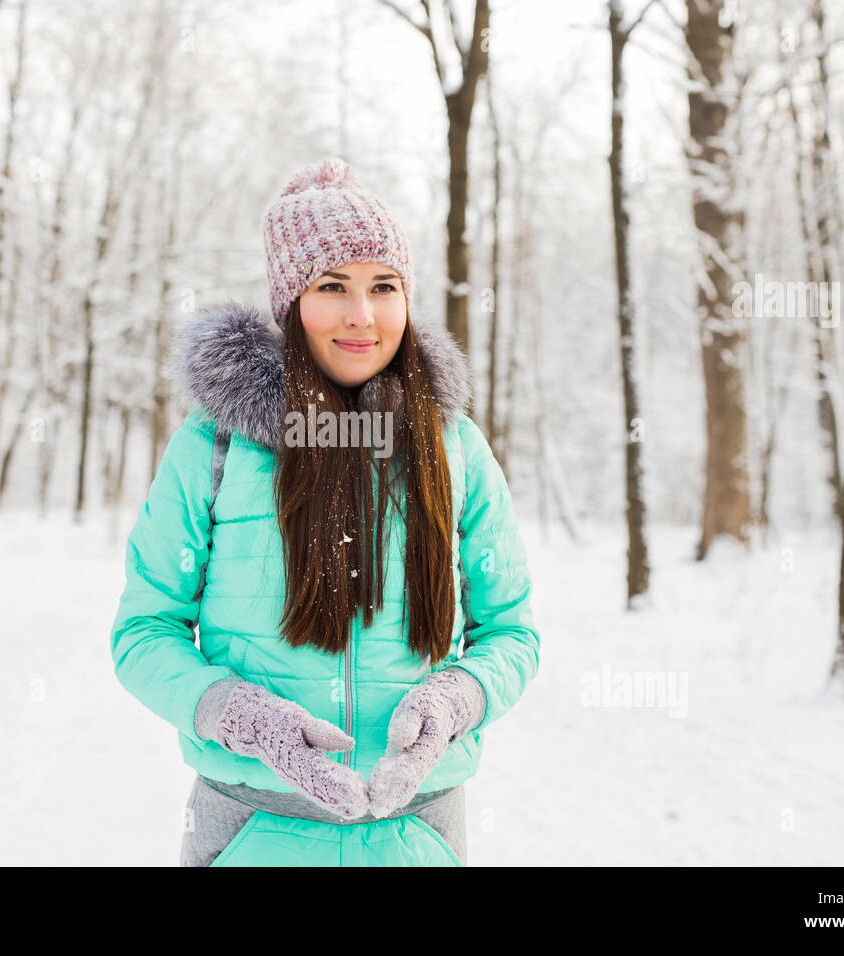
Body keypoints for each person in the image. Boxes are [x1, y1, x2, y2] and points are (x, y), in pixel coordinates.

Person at [109, 157, 540, 866]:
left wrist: (459, 699)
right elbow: (143, 631)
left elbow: (511, 630)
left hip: (420, 832)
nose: (362, 316)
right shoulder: (216, 448)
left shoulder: (453, 447)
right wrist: (236, 715)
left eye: (384, 287)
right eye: (332, 286)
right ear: (290, 305)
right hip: (249, 831)